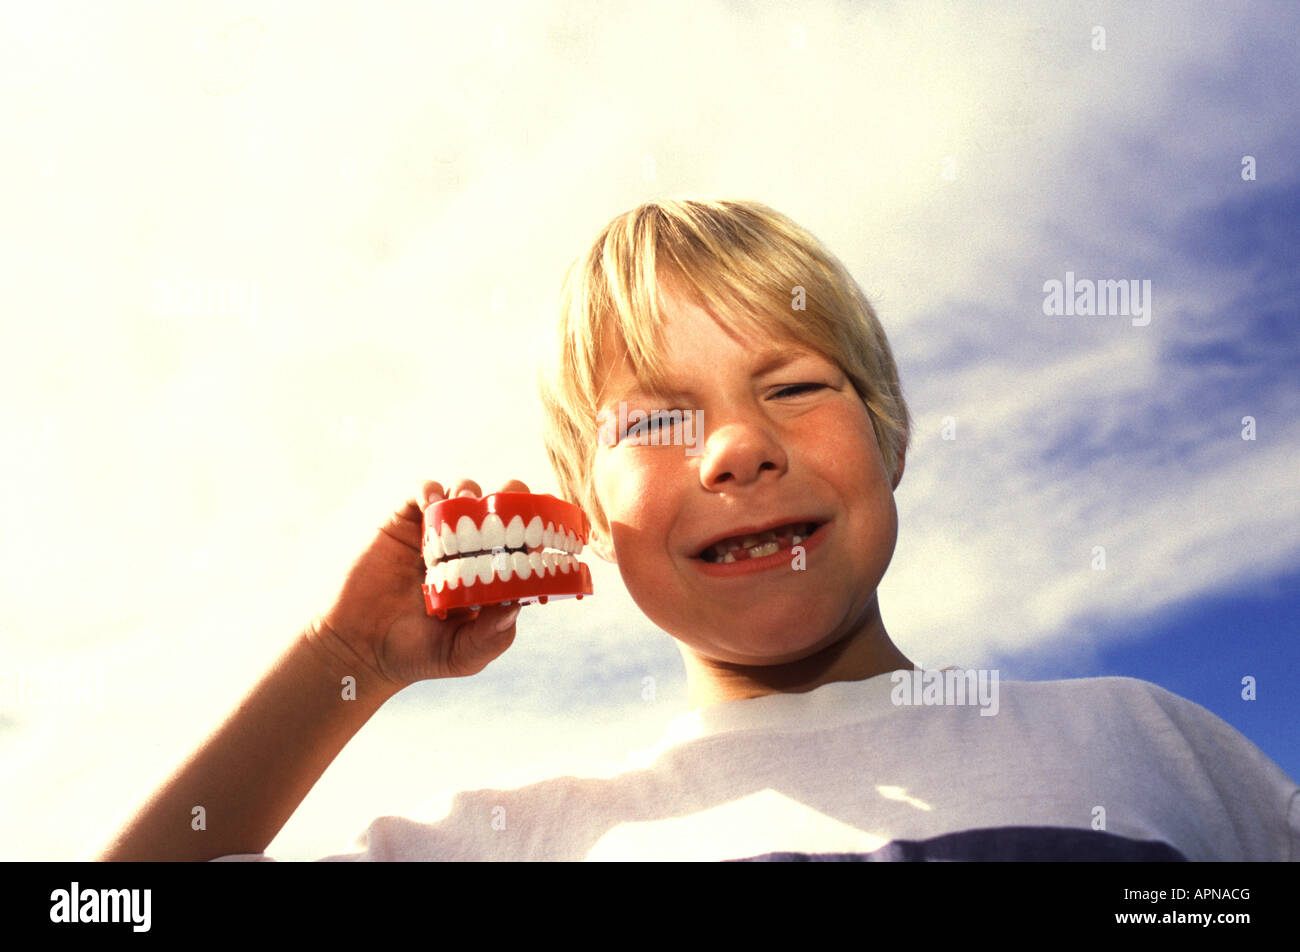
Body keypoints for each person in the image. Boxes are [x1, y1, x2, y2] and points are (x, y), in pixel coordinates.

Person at [96, 198, 1299, 861]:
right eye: (659, 419)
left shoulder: (1147, 747)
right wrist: (339, 669)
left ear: (887, 437)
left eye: (793, 388)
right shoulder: (518, 843)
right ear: (583, 512)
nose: (735, 445)